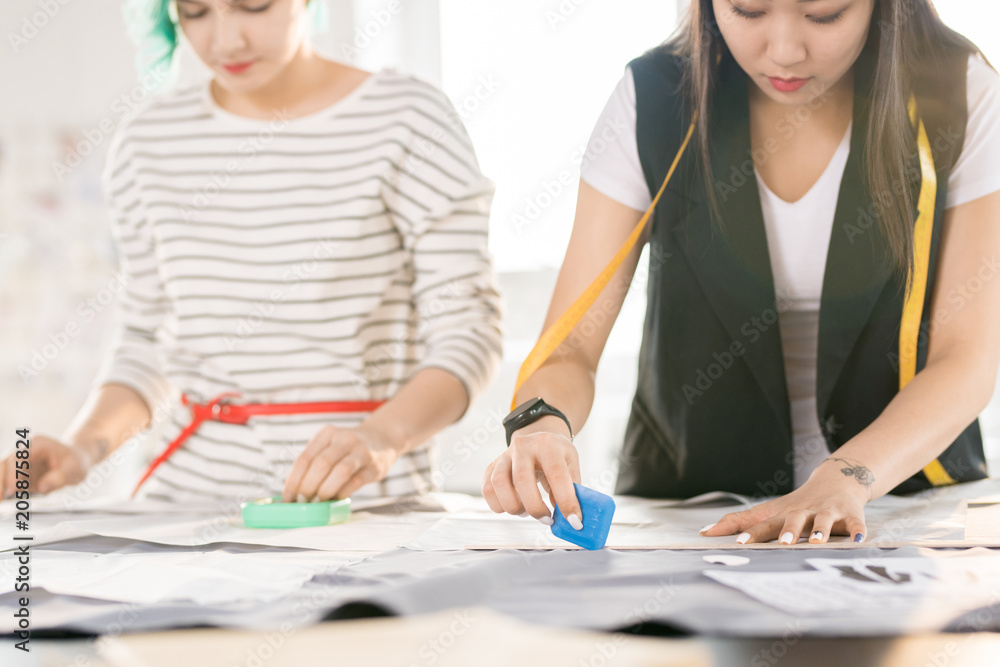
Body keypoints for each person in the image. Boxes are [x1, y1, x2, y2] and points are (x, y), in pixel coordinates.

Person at [484, 0, 1000, 545]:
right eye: (747, 11)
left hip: (903, 505)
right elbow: (571, 347)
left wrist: (844, 479)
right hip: (695, 511)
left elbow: (964, 358)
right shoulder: (653, 98)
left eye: (824, 15)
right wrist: (541, 423)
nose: (784, 51)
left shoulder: (961, 92)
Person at [0, 0, 502, 506]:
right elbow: (147, 343)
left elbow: (468, 332)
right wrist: (81, 449)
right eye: (195, 12)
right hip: (185, 510)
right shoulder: (147, 142)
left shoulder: (408, 118)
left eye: (253, 6)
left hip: (362, 507)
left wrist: (382, 437)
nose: (225, 41)